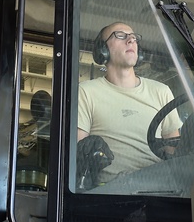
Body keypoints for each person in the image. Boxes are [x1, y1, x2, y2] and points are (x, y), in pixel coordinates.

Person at [76, 22, 180, 186]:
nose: (131, 40)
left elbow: (175, 151)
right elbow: (80, 154)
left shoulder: (161, 91)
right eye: (121, 36)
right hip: (110, 194)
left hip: (159, 191)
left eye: (133, 37)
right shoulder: (86, 92)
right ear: (103, 50)